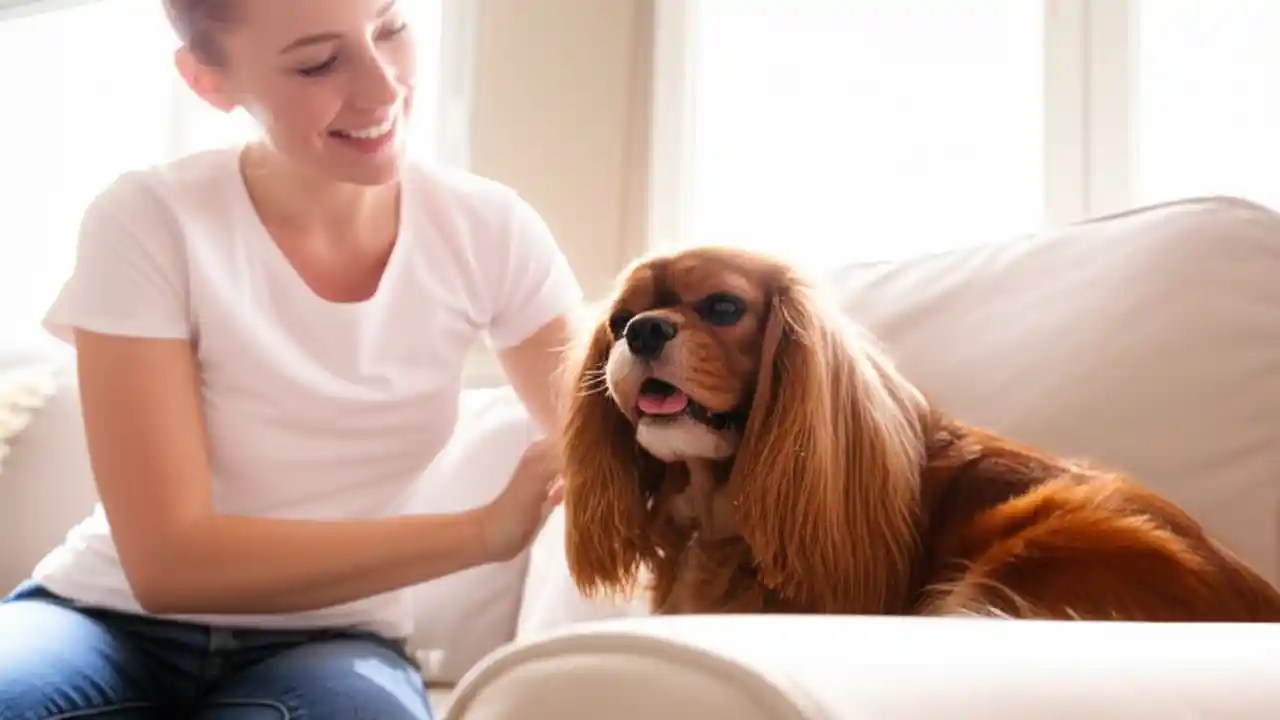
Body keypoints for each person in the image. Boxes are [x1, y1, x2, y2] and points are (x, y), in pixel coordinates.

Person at [0, 0, 583, 717]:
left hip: (336, 639)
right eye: (318, 62)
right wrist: (482, 533)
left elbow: (611, 433)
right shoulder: (150, 219)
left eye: (390, 28)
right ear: (208, 82)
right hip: (101, 618)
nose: (383, 86)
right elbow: (168, 565)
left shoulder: (490, 230)